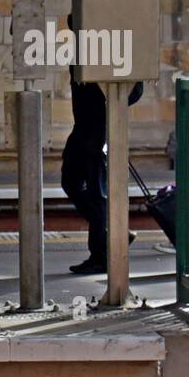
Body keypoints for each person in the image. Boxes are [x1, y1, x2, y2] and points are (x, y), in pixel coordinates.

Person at [60, 16, 144, 275]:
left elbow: (135, 89)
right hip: (82, 128)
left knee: (97, 193)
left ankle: (101, 253)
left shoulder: (105, 51)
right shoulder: (78, 52)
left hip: (99, 130)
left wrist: (111, 107)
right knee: (69, 182)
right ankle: (111, 231)